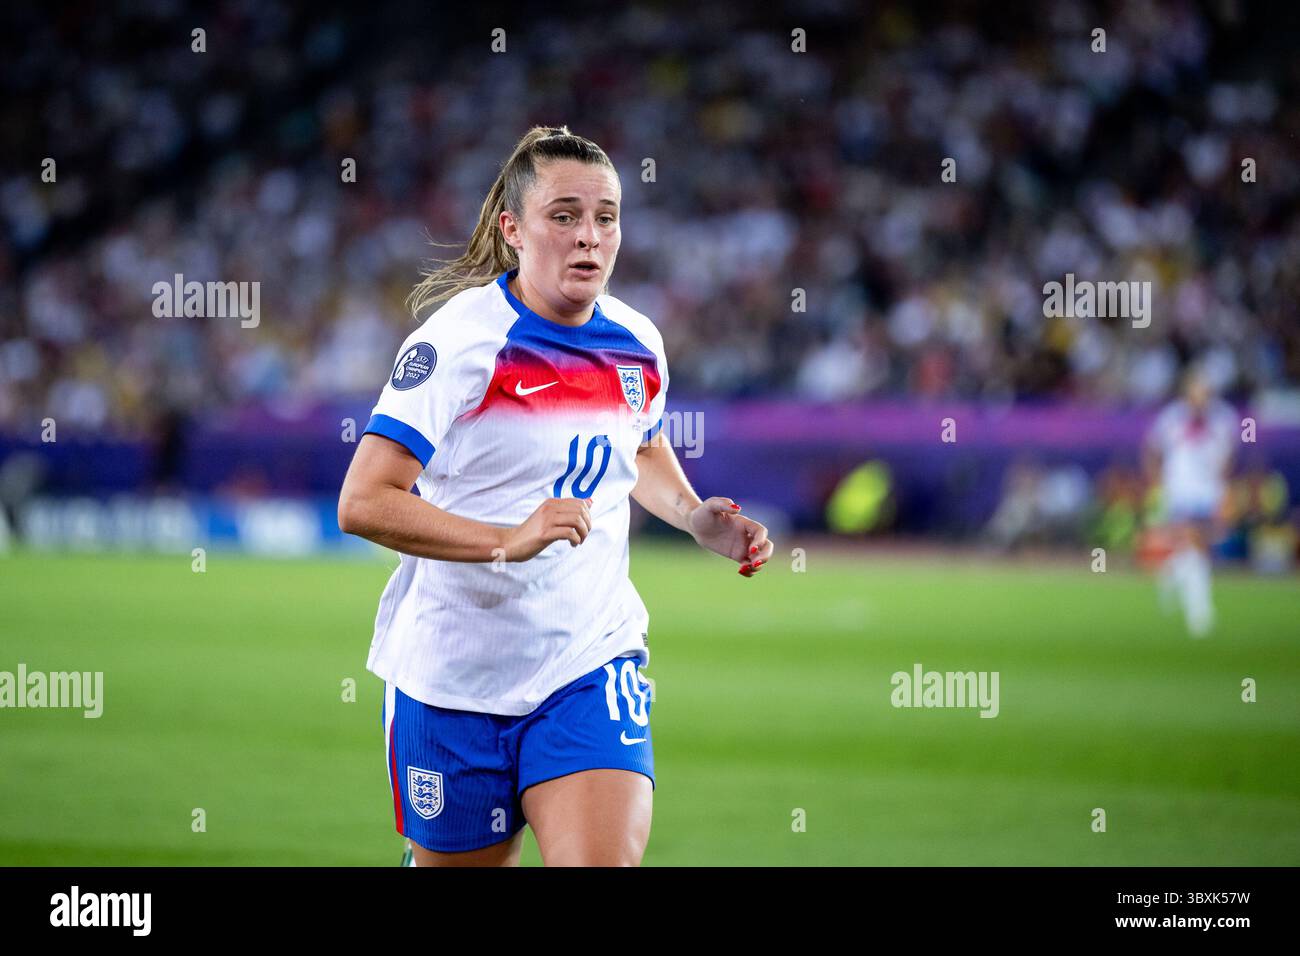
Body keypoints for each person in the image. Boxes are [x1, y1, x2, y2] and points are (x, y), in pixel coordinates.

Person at [337, 126, 774, 866]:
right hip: (453, 678)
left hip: (588, 660)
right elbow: (365, 501)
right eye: (564, 216)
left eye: (606, 217)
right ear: (513, 230)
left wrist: (694, 515)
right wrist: (507, 538)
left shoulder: (637, 342)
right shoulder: (460, 344)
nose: (589, 238)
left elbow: (639, 441)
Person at [1143, 370, 1238, 637]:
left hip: (1210, 491)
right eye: (1195, 393)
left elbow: (1231, 453)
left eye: (1204, 393)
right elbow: (1151, 448)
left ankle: (1171, 573)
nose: (1200, 400)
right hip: (1180, 490)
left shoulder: (1224, 418)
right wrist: (1157, 482)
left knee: (1202, 545)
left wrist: (1224, 481)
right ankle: (1200, 613)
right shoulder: (1171, 417)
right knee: (1194, 543)